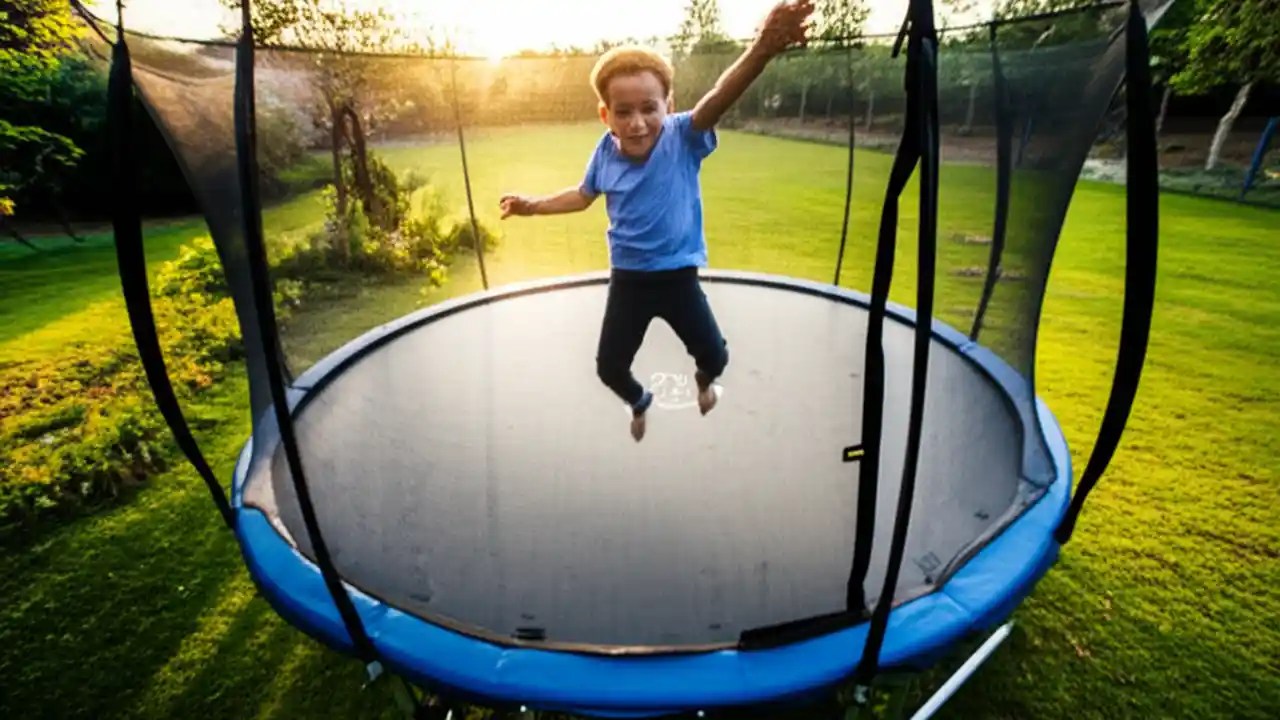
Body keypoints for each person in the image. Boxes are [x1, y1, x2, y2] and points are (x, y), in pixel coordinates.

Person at [499, 0, 814, 442]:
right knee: (609, 368)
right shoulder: (604, 152)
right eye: (623, 112)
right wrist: (532, 205)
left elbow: (719, 97)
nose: (638, 122)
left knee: (716, 357)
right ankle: (640, 401)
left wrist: (762, 47)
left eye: (649, 107)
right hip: (628, 280)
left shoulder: (684, 135)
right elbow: (583, 196)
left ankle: (705, 382)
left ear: (669, 104)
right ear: (606, 115)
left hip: (678, 278)